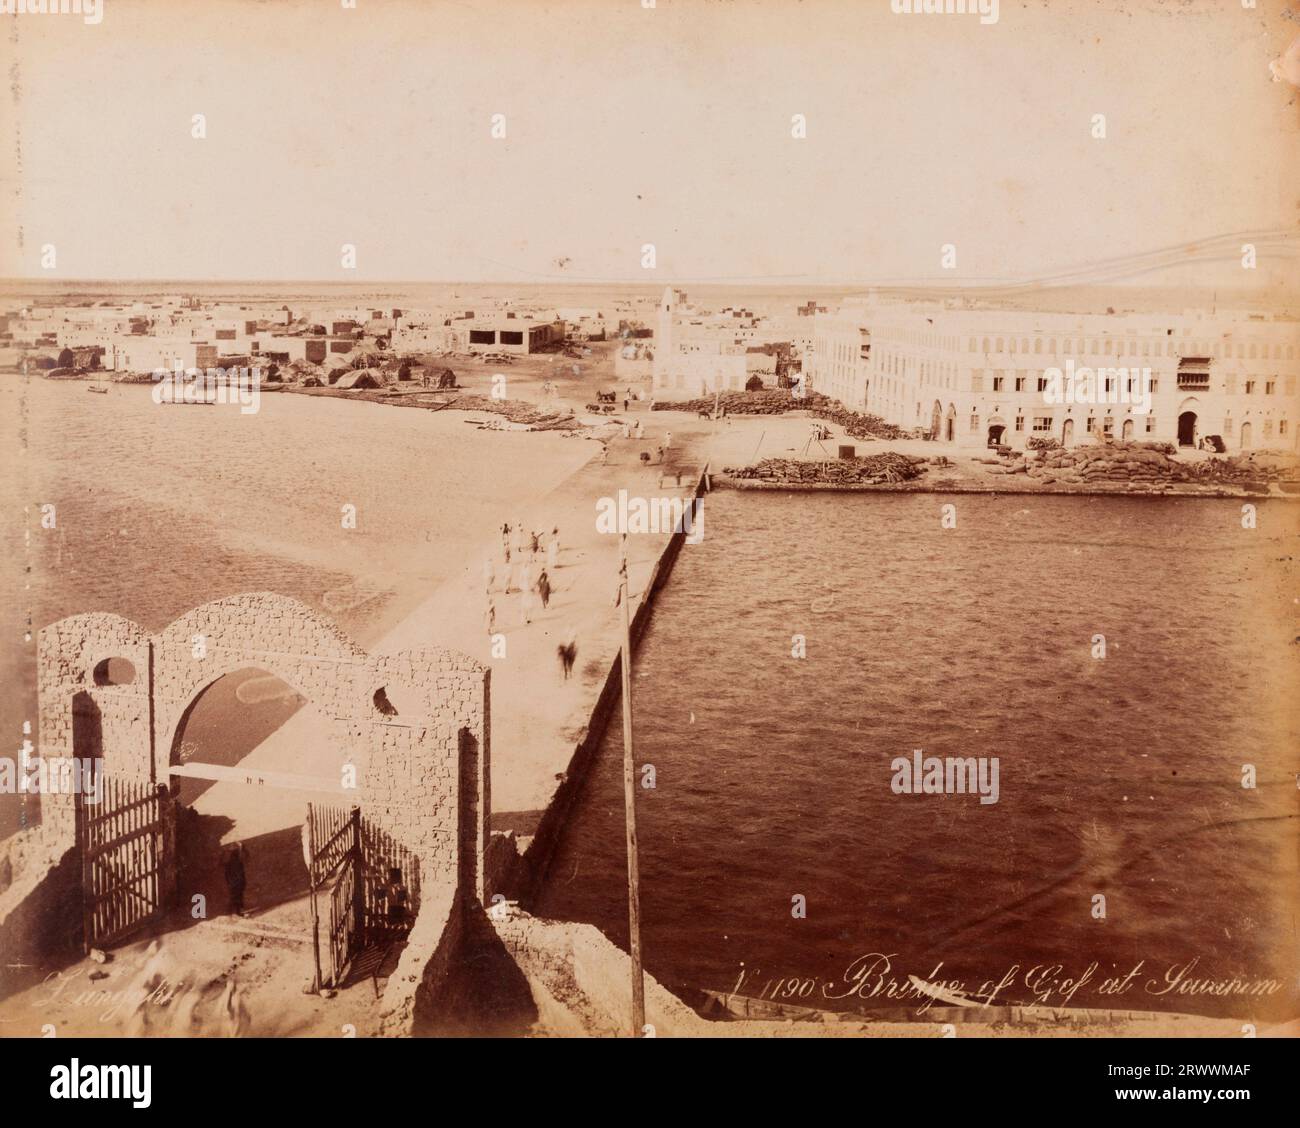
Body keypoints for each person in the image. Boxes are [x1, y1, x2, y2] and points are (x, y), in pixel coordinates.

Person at [223, 843, 247, 917]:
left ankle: (232, 911)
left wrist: (228, 882)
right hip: (238, 883)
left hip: (233, 883)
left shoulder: (228, 864)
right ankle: (238, 911)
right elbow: (242, 873)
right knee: (239, 897)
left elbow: (226, 874)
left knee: (234, 897)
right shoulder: (239, 863)